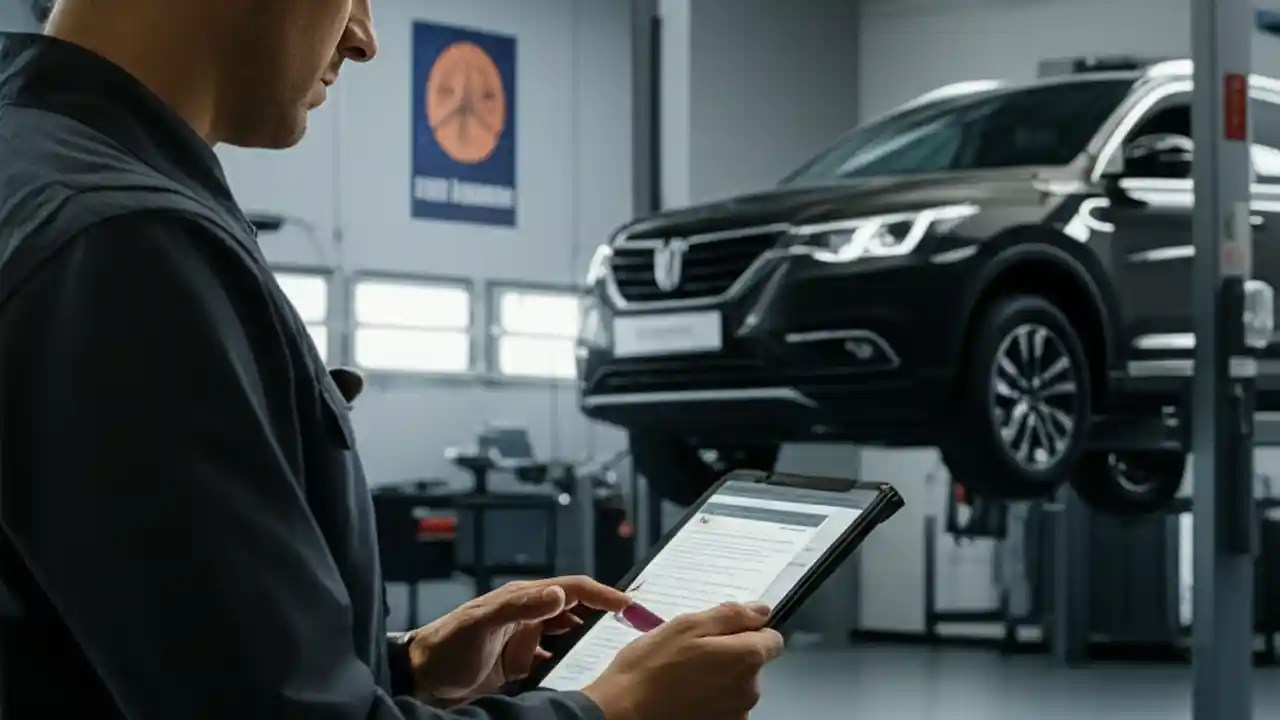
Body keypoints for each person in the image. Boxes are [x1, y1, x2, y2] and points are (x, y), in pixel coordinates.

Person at [0, 1, 785, 718]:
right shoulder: (121, 245)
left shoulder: (39, 174)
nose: (365, 39)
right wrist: (611, 711)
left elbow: (125, 645)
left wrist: (401, 667)